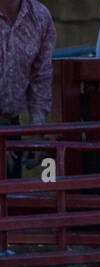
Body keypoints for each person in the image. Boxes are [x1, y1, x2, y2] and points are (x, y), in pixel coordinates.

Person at [0, 0, 54, 179]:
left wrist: (36, 132)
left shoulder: (39, 18)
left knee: (11, 202)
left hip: (11, 130)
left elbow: (41, 77)